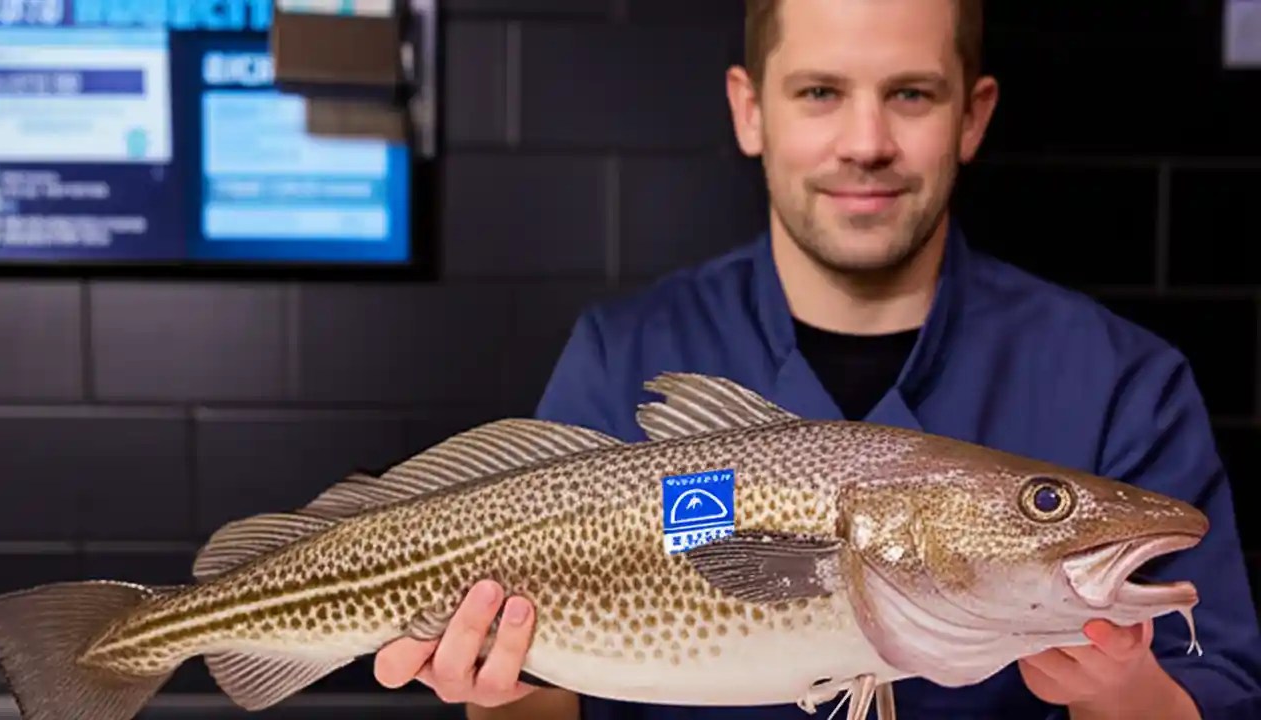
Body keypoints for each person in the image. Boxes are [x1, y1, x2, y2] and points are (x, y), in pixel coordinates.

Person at [371, 0, 1261, 717]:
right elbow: (545, 707)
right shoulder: (626, 353)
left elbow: (1214, 686)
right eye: (819, 92)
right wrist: (497, 692)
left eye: (911, 93)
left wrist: (1122, 694)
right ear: (749, 109)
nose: (865, 142)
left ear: (972, 115)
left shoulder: (1121, 382)